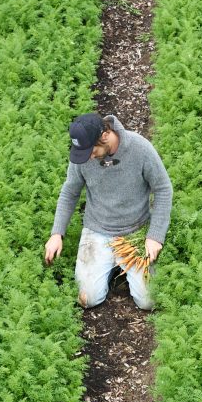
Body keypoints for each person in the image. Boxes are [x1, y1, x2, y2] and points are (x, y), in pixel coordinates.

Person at [44, 111, 172, 310]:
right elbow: (70, 192)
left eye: (91, 151)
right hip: (97, 229)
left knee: (149, 301)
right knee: (88, 299)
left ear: (105, 135)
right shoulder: (83, 155)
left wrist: (155, 236)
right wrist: (56, 233)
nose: (89, 157)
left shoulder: (140, 149)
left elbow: (163, 189)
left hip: (135, 230)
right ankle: (113, 267)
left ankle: (120, 268)